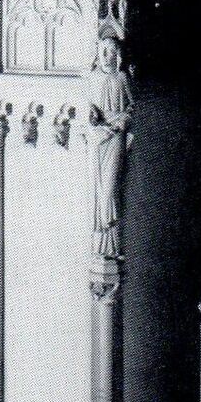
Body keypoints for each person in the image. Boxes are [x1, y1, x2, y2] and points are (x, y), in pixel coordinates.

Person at [86, 29, 133, 259]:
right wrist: (93, 118)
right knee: (98, 188)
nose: (106, 55)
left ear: (118, 55)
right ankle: (102, 242)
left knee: (110, 189)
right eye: (103, 51)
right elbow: (88, 108)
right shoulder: (94, 77)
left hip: (115, 137)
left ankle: (112, 240)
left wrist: (120, 123)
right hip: (98, 138)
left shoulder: (123, 78)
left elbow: (131, 109)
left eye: (111, 51)